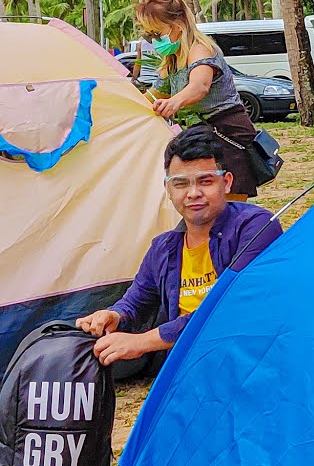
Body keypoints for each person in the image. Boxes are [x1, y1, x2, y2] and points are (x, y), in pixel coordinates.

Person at [76, 125, 283, 374]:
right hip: (189, 372)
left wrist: (142, 342)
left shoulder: (256, 226)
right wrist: (113, 315)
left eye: (205, 181)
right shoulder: (164, 248)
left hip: (250, 363)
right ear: (168, 189)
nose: (193, 193)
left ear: (226, 183)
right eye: (180, 184)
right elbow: (136, 301)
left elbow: (228, 306)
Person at [134, 0, 265, 197]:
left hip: (227, 132)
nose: (154, 41)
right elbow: (153, 95)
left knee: (230, 201)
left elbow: (199, 86)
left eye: (157, 34)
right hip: (199, 134)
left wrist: (174, 102)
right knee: (201, 200)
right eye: (149, 36)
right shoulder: (171, 61)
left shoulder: (201, 49)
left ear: (177, 25)